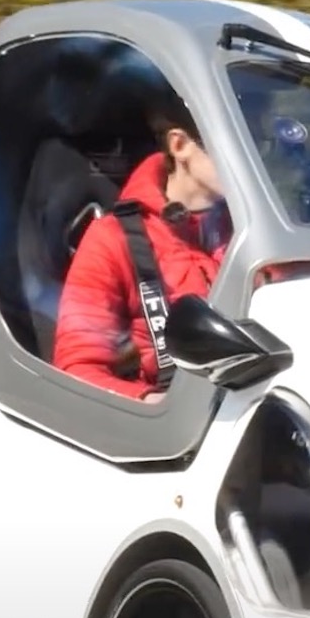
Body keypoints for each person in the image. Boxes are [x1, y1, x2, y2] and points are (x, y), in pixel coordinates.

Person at [52, 88, 232, 402]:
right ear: (180, 145)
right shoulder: (112, 239)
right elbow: (77, 369)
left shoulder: (254, 228)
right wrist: (150, 402)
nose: (250, 163)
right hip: (173, 416)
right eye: (231, 146)